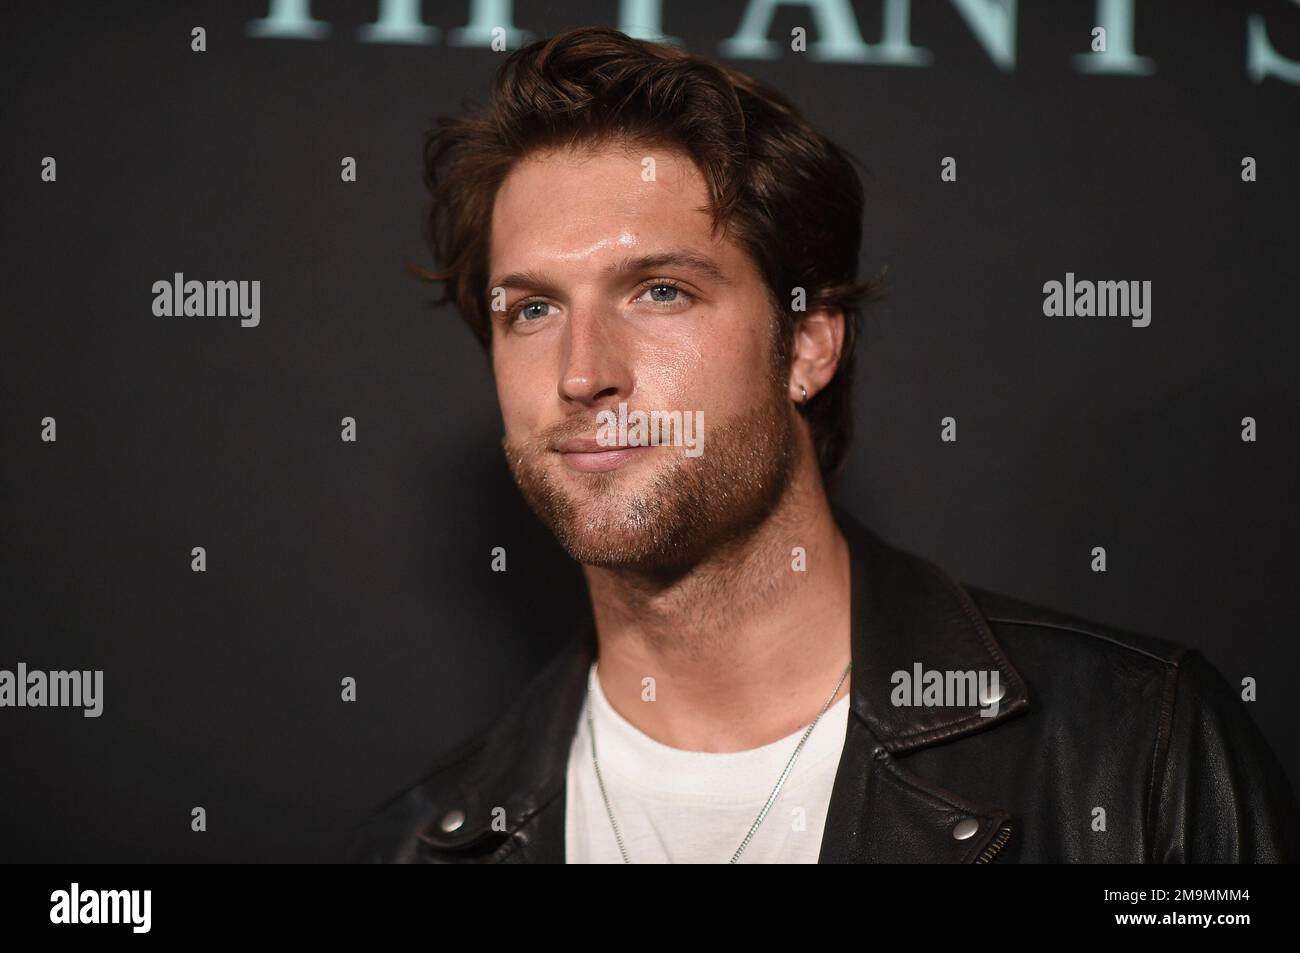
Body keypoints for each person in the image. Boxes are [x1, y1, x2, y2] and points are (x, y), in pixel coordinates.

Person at [347, 26, 1300, 863]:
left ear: (807, 342)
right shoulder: (423, 843)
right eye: (533, 308)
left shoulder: (1138, 753)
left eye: (661, 291)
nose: (581, 371)